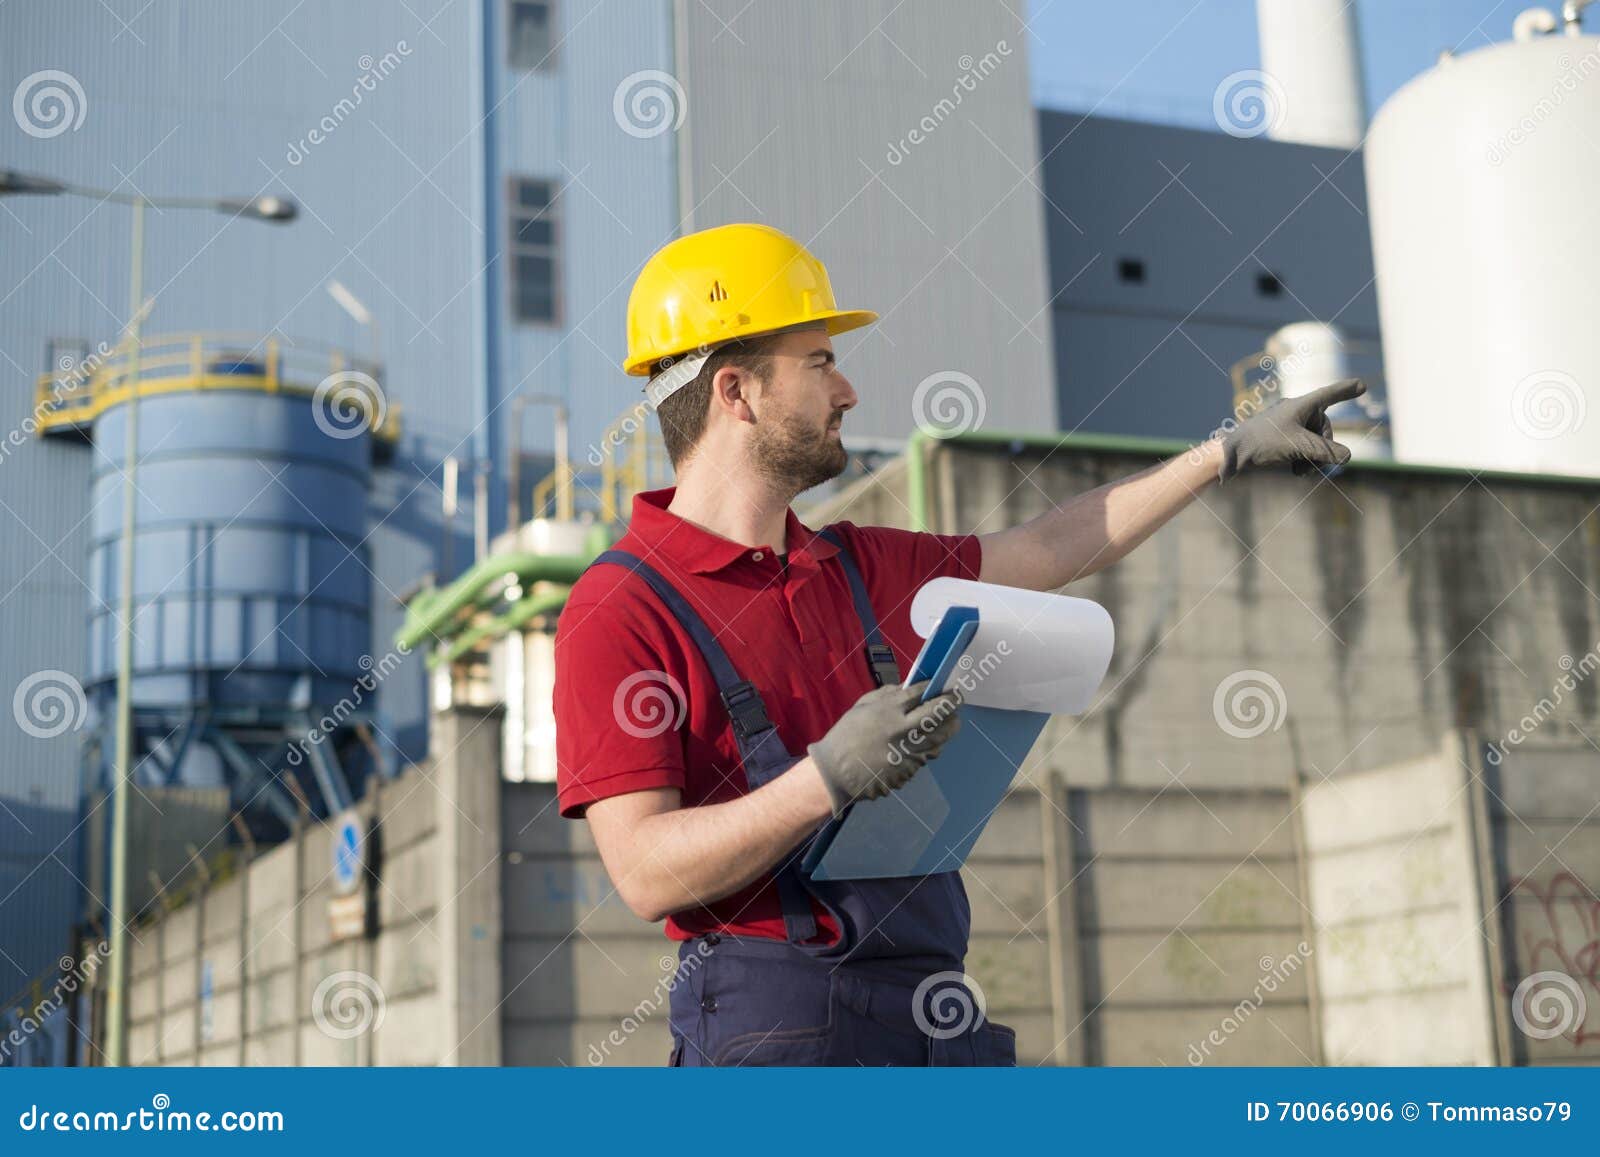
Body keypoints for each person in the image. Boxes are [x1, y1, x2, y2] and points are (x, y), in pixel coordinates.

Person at [553, 222, 1363, 1066]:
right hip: (773, 1036)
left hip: (933, 1012)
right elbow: (645, 871)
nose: (848, 391)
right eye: (820, 362)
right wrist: (825, 779)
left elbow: (1053, 547)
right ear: (735, 390)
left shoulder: (861, 567)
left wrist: (1221, 453)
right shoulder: (620, 606)